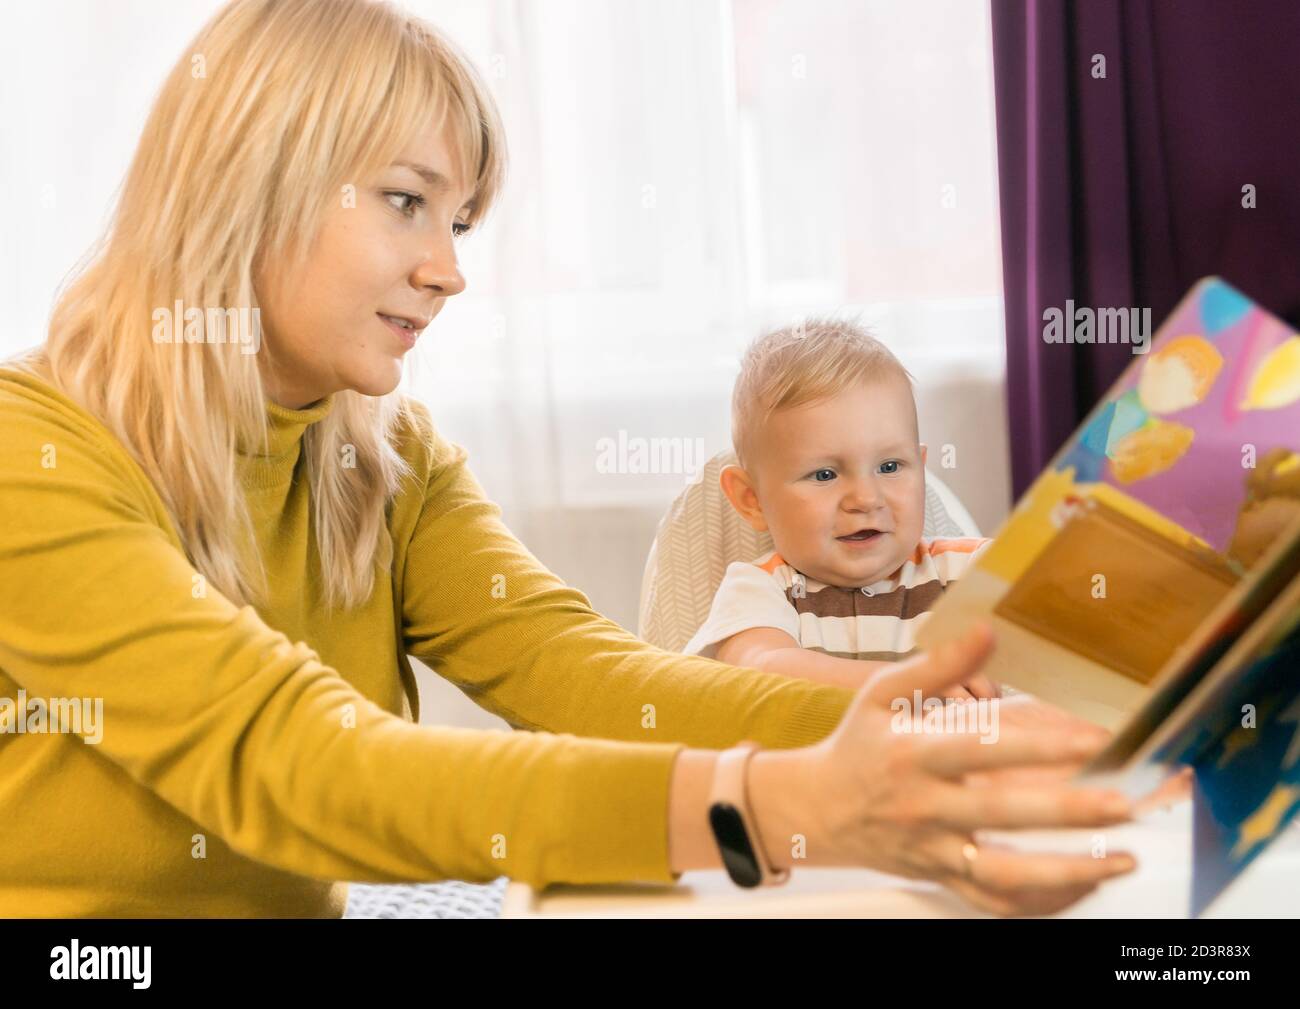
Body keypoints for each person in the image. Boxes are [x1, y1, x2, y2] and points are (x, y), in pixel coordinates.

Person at [0, 0, 1137, 918]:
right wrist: (764, 802)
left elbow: (579, 671)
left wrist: (925, 718)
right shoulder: (28, 452)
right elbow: (296, 755)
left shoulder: (383, 453)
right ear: (251, 181)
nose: (449, 270)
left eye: (459, 223)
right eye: (407, 203)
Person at [683, 318, 998, 697]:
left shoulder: (970, 569)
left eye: (889, 467)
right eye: (825, 475)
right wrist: (908, 684)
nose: (865, 499)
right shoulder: (763, 588)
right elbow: (758, 667)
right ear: (752, 500)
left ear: (920, 468)